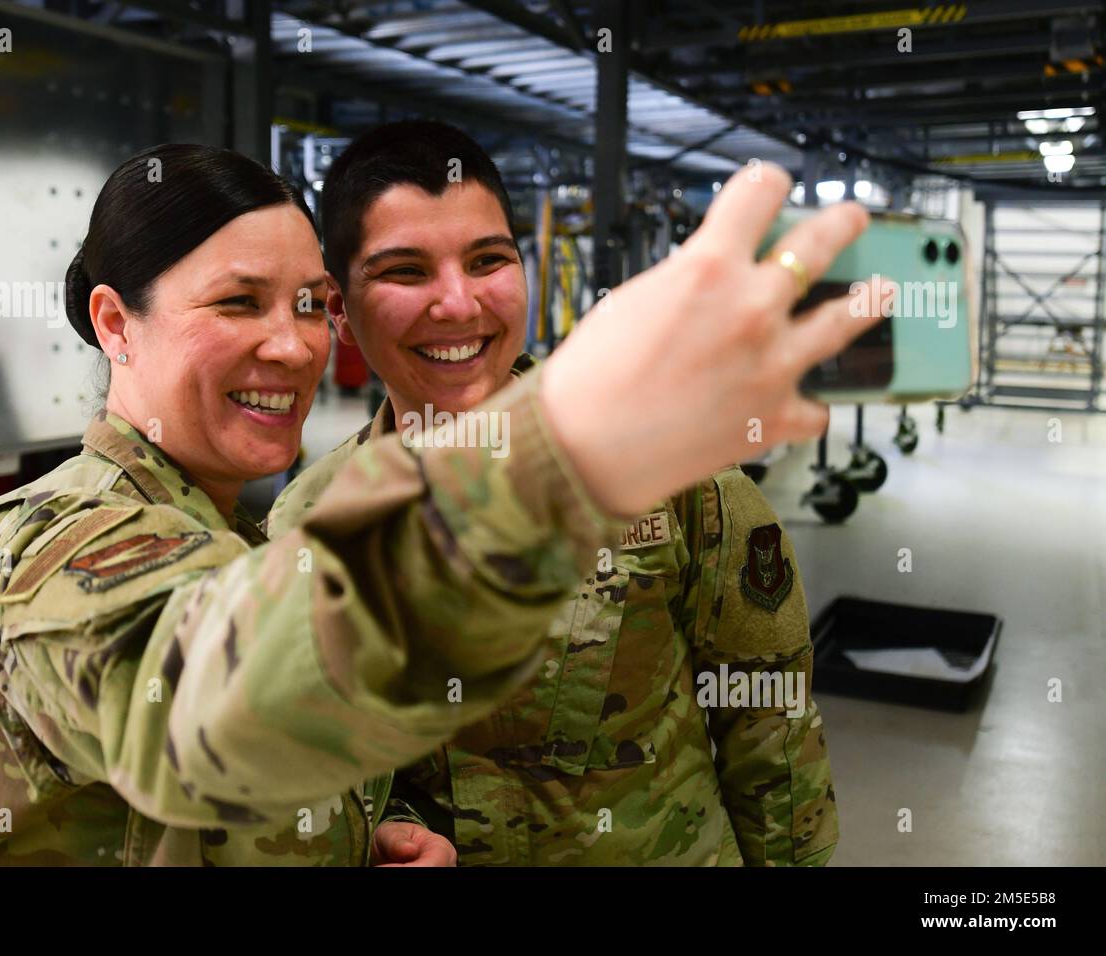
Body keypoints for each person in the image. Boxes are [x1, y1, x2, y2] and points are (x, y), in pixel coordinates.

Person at [0, 136, 879, 866]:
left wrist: (349, 837)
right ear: (115, 322)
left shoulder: (247, 528)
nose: (289, 344)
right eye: (237, 302)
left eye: (304, 304)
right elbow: (202, 704)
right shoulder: (67, 544)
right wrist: (565, 446)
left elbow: (769, 737)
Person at [267, 121, 849, 866]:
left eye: (488, 260)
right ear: (340, 312)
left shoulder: (663, 469)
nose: (459, 304)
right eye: (406, 272)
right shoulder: (311, 520)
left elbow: (768, 726)